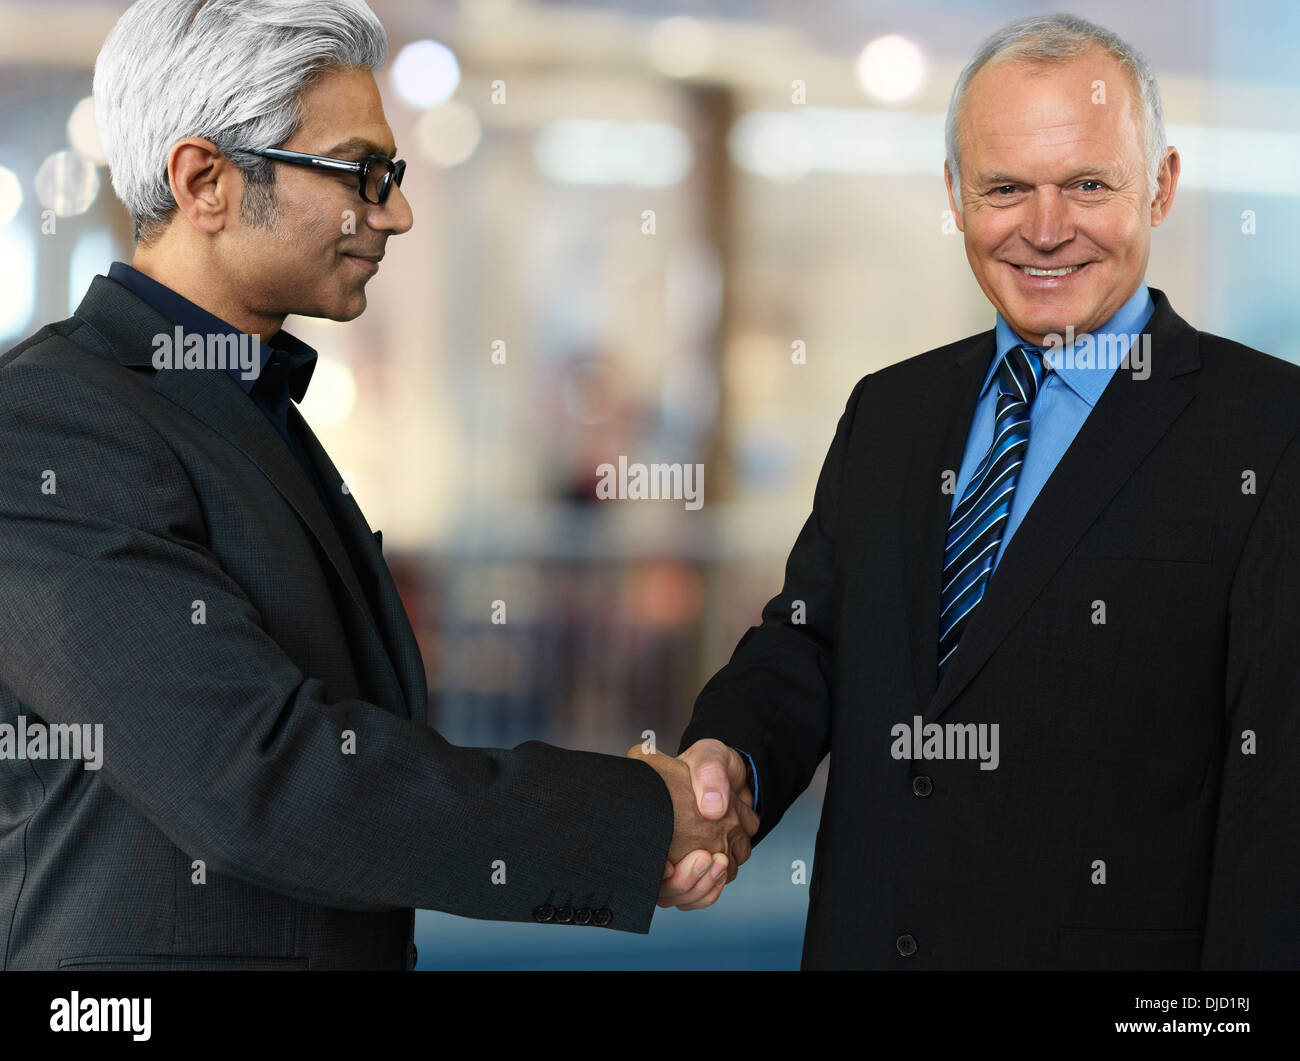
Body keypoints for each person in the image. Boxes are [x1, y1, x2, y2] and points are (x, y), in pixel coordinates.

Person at [0, 0, 755, 970]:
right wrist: (635, 815)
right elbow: (254, 776)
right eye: (362, 172)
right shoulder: (52, 424)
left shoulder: (245, 408)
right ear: (207, 181)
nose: (394, 211)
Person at [651, 14, 1300, 968]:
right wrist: (726, 764)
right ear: (955, 194)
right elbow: (810, 644)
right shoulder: (892, 409)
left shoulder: (1271, 431)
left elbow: (1278, 810)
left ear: (1159, 184)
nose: (1045, 229)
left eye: (1087, 184)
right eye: (1005, 188)